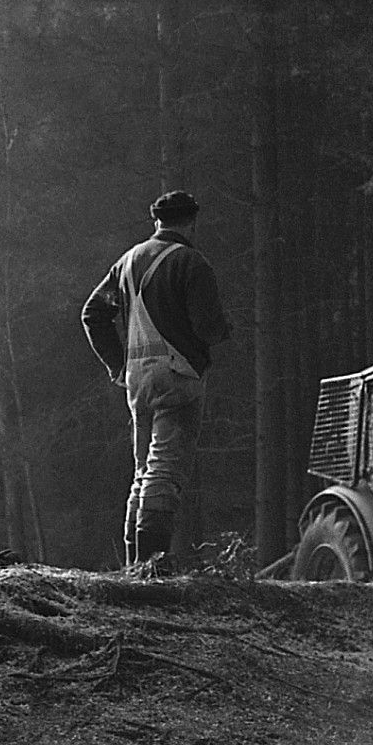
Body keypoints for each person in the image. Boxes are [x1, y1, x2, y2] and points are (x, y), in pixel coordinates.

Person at [82, 190, 231, 567]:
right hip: (178, 376)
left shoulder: (127, 261)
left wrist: (118, 366)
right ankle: (151, 569)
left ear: (157, 221)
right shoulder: (191, 263)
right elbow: (208, 328)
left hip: (137, 381)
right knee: (164, 470)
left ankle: (134, 566)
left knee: (142, 473)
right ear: (192, 221)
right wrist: (222, 330)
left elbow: (93, 314)